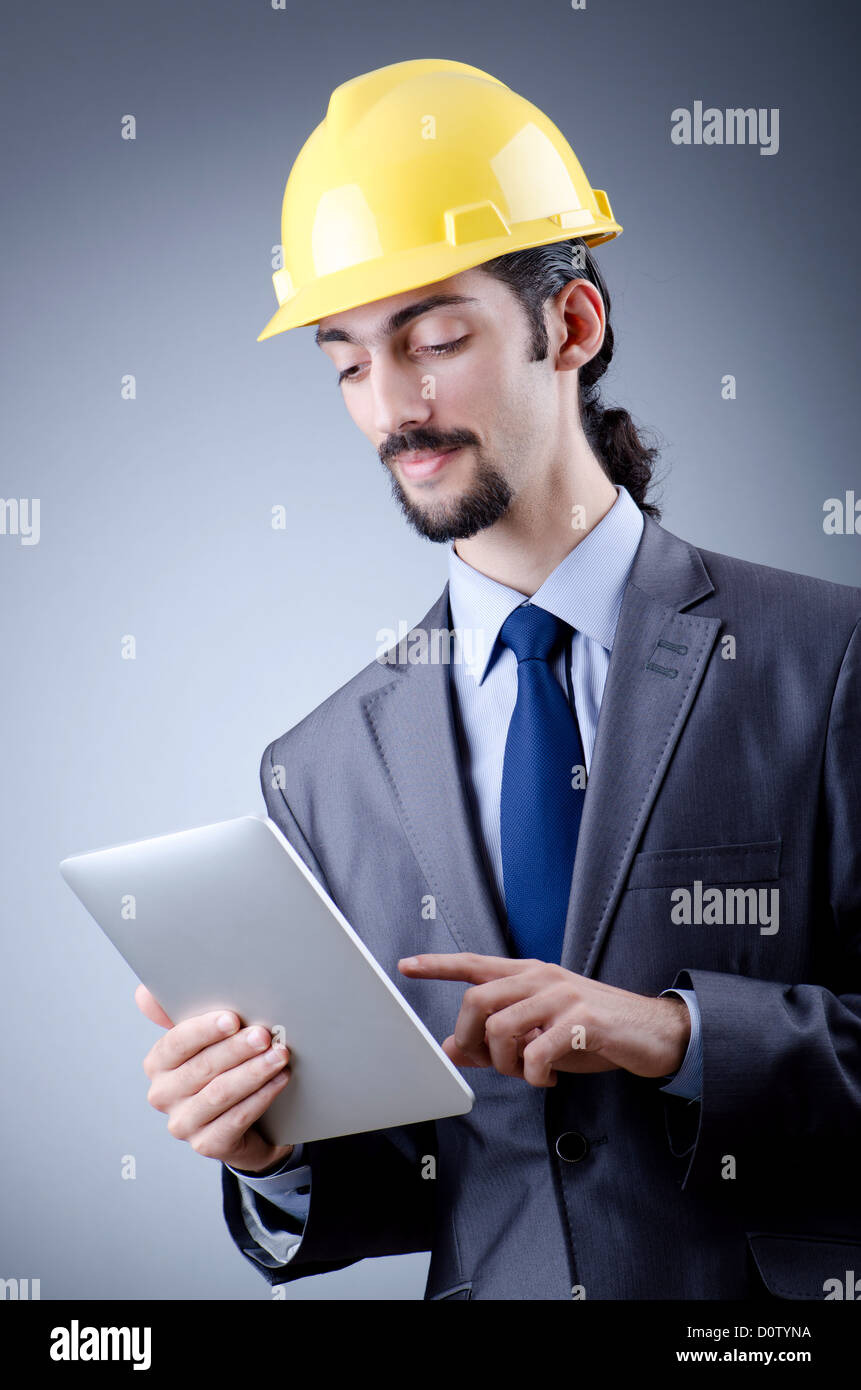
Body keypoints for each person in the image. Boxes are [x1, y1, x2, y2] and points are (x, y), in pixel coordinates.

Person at [137, 59, 861, 1301]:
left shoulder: (824, 658)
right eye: (349, 362)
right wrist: (271, 1152)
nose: (392, 410)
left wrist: (680, 1035)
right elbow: (428, 1173)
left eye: (432, 340)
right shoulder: (321, 768)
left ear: (570, 326)